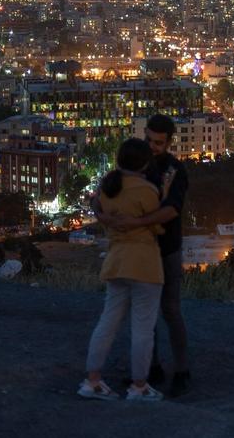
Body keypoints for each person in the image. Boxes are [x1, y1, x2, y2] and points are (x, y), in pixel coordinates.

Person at [98, 114, 191, 397]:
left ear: (169, 142)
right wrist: (104, 216)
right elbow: (104, 194)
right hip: (140, 249)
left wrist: (135, 223)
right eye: (149, 140)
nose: (153, 146)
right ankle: (150, 368)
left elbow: (173, 209)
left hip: (165, 248)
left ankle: (181, 370)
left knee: (170, 310)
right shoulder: (137, 164)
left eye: (159, 142)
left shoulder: (176, 170)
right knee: (144, 314)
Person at [78, 138, 166, 402]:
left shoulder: (109, 187)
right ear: (144, 162)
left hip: (116, 260)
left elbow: (101, 211)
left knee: (108, 322)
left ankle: (92, 380)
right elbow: (157, 226)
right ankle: (139, 386)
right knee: (142, 328)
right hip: (144, 263)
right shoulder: (146, 190)